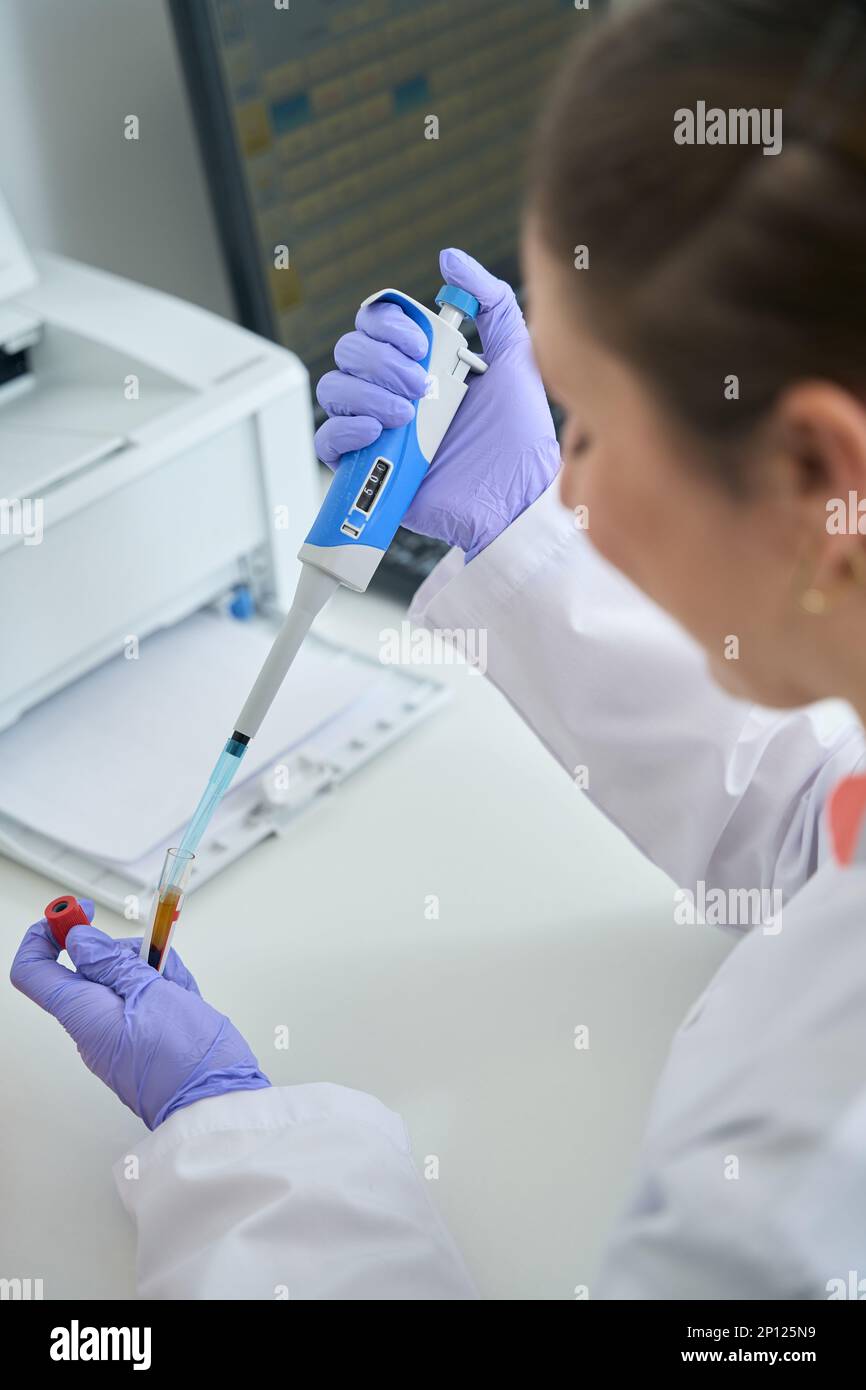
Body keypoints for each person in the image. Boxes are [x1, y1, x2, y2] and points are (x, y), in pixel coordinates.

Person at [11, 0, 866, 1299]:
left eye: (583, 422)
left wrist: (237, 1142)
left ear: (812, 465)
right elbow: (821, 821)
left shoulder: (796, 1185)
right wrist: (516, 540)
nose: (568, 484)